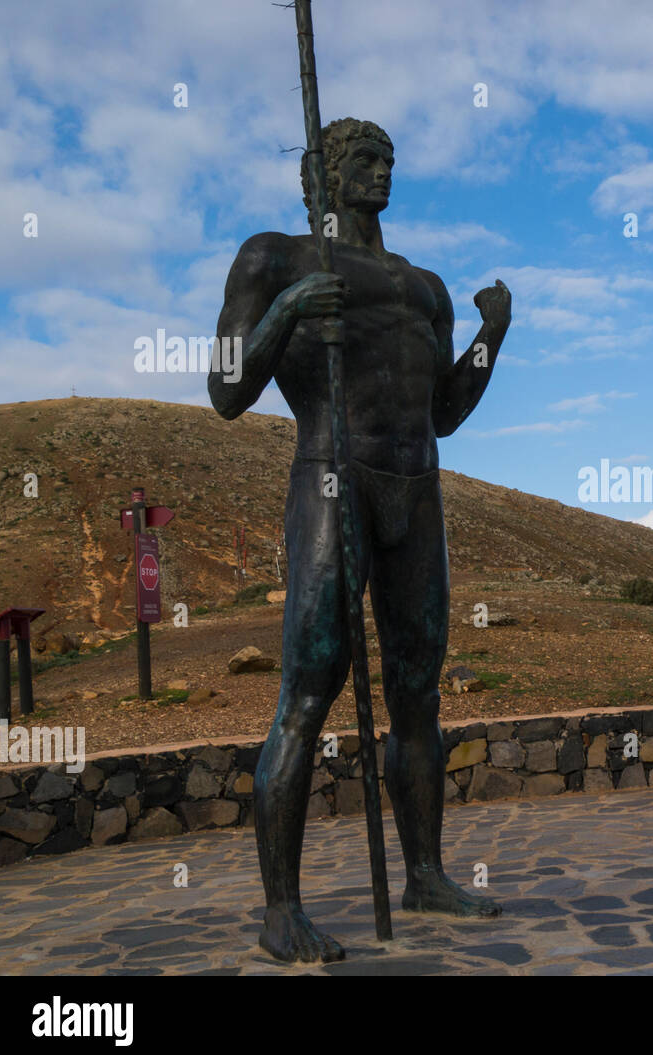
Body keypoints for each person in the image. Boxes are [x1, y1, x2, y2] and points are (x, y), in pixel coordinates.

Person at [210, 118, 511, 960]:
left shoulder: (425, 289)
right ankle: (281, 911)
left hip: (415, 487)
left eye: (387, 160)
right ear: (324, 173)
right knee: (308, 693)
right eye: (363, 160)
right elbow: (227, 389)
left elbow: (444, 413)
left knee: (419, 691)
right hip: (330, 477)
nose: (380, 172)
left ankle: (424, 873)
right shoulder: (275, 260)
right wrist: (289, 311)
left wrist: (492, 336)